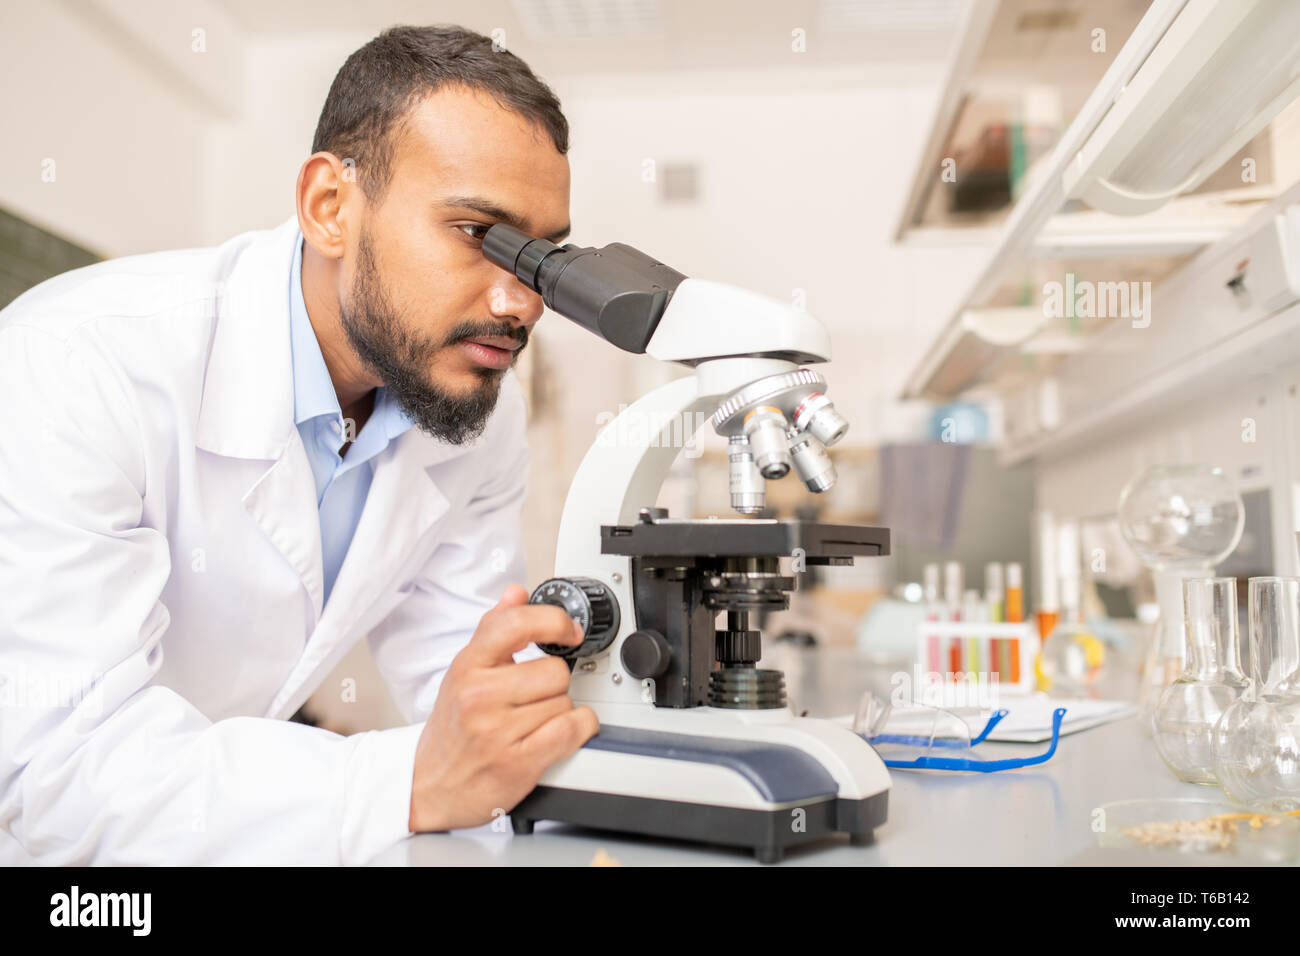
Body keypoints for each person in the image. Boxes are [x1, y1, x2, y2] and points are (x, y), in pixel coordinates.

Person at [0, 24, 598, 865]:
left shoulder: (473, 415)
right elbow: (63, 776)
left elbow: (464, 682)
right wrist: (412, 781)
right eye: (477, 232)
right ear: (330, 208)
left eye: (541, 259)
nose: (520, 302)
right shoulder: (73, 365)